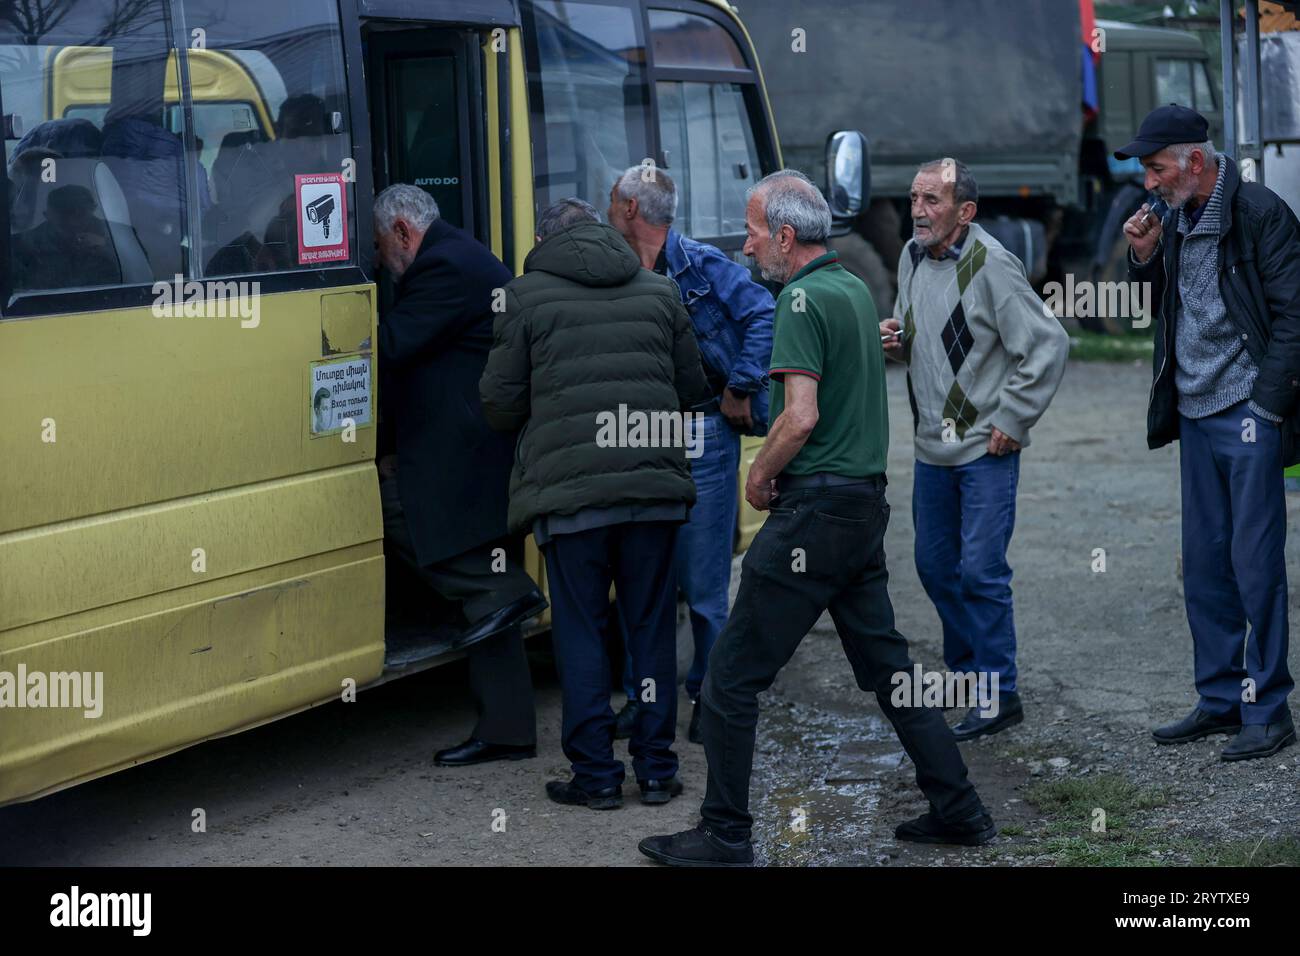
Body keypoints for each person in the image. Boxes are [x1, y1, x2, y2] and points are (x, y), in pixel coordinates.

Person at [640, 170, 994, 867]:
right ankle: (961, 809)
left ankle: (726, 835)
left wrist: (760, 473)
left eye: (750, 231)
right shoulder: (853, 288)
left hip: (816, 512)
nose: (744, 246)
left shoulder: (800, 299)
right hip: (860, 508)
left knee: (730, 678)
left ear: (784, 234)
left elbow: (798, 417)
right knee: (891, 671)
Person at [480, 198, 711, 810]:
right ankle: (658, 770)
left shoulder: (524, 297)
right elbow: (694, 388)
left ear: (542, 239)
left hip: (572, 497)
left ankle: (597, 778)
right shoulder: (660, 291)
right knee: (651, 629)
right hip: (654, 493)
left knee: (581, 632)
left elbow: (499, 404)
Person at [1119, 105, 1298, 759]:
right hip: (1195, 414)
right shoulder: (1171, 215)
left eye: (1156, 166)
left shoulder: (1257, 213)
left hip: (1249, 412)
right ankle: (1222, 700)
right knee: (1205, 567)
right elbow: (1165, 307)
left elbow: (1294, 315)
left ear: (1195, 161)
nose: (1150, 181)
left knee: (1254, 566)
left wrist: (1269, 409)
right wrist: (1143, 260)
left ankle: (1268, 709)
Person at [880, 158, 1068, 741]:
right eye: (915, 198)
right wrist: (898, 340)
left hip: (985, 449)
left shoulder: (993, 264)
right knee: (935, 569)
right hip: (933, 448)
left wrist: (1013, 418)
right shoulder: (912, 257)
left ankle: (997, 693)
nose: (918, 210)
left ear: (966, 212)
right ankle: (971, 681)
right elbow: (929, 338)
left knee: (981, 572)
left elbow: (1047, 343)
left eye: (933, 200)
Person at [372, 183, 547, 767]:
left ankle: (513, 593)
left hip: (466, 451)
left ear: (402, 231)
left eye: (379, 245)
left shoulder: (445, 264)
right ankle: (508, 729)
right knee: (485, 598)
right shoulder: (455, 253)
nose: (379, 261)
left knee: (410, 522)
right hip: (473, 444)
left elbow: (392, 345)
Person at [607, 165, 774, 743]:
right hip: (640, 435)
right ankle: (643, 701)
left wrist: (741, 385)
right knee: (642, 582)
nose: (609, 211)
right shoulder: (615, 266)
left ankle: (710, 698)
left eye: (612, 201)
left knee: (703, 590)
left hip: (702, 432)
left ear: (630, 207)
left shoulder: (699, 263)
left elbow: (763, 313)